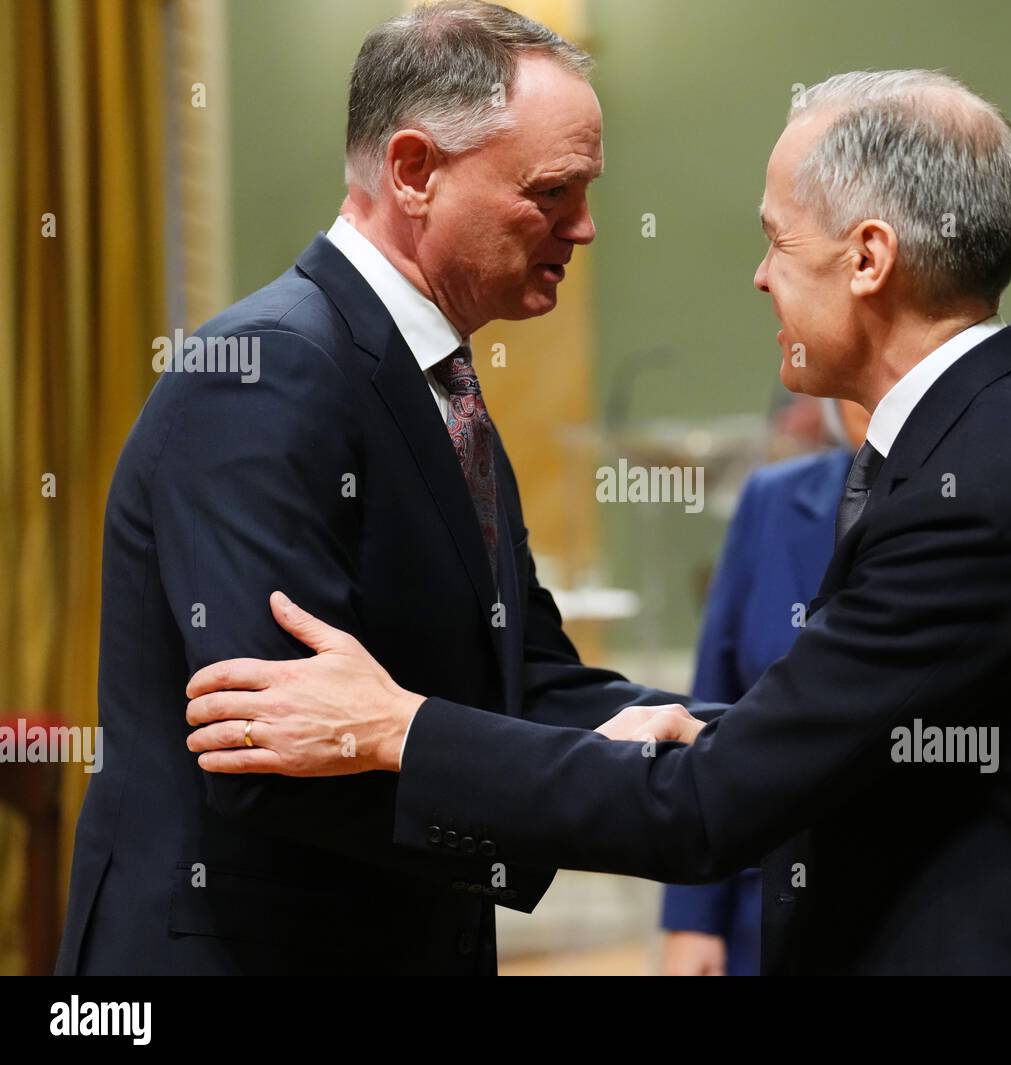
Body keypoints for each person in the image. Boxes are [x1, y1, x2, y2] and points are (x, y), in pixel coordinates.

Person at [188, 69, 1011, 974]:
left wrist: (398, 729)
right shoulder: (997, 442)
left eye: (774, 238)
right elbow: (905, 738)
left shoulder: (982, 486)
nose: (760, 275)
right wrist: (712, 729)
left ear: (866, 258)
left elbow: (707, 814)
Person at [58, 1, 717, 976]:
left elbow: (523, 681)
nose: (585, 227)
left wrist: (723, 740)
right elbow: (276, 751)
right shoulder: (267, 371)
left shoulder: (432, 381)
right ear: (413, 171)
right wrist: (608, 783)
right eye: (553, 191)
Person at [661, 399, 868, 976]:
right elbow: (713, 700)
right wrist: (693, 916)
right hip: (765, 909)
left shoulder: (976, 499)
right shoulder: (772, 499)